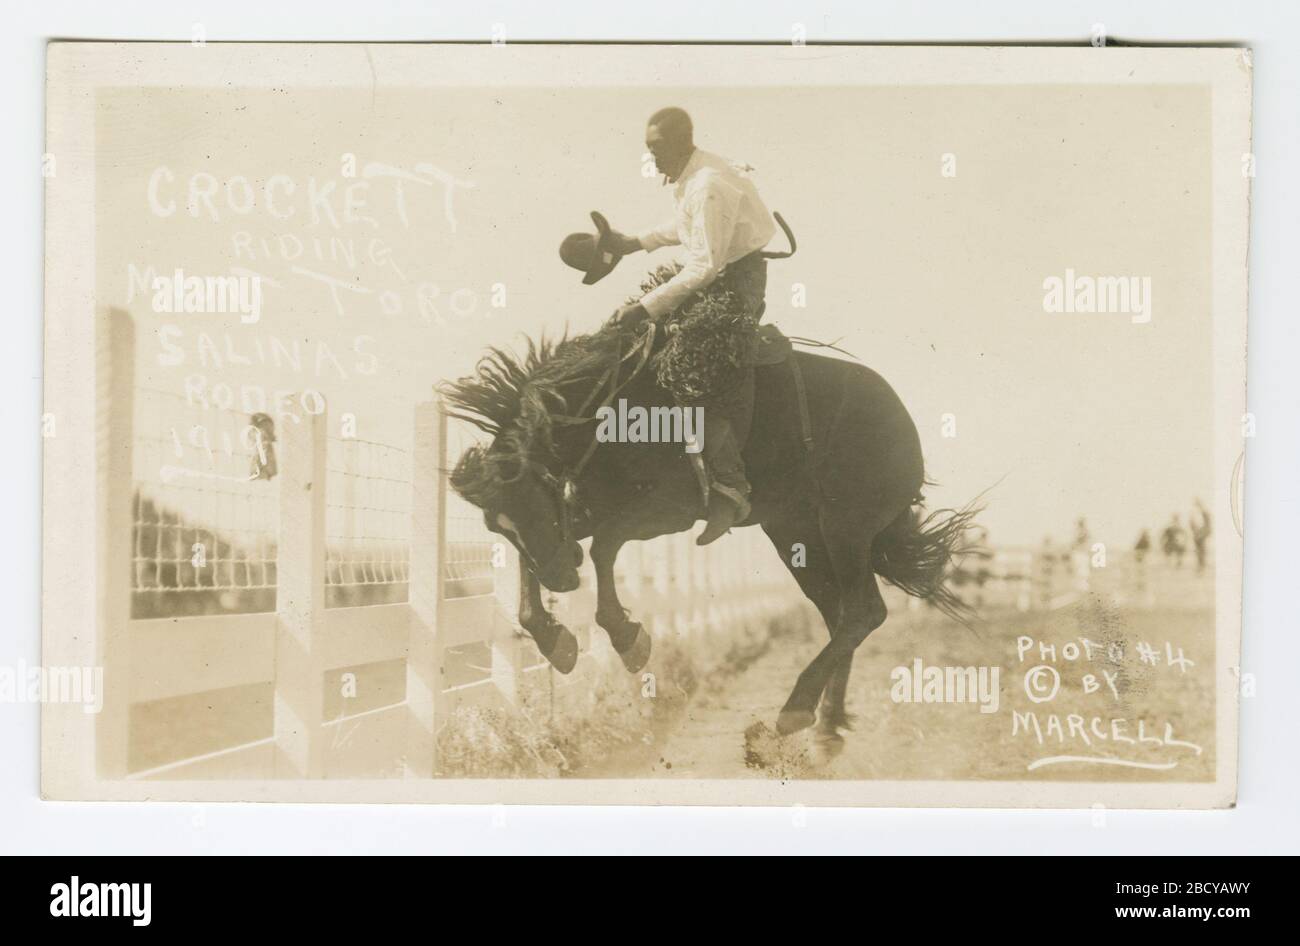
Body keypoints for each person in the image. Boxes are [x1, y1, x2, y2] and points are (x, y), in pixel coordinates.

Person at [563, 107, 777, 544]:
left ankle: (730, 487)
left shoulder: (708, 185)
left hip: (735, 284)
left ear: (682, 142)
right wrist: (634, 243)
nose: (652, 157)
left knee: (690, 368)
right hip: (718, 274)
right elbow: (688, 227)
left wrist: (645, 307)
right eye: (649, 148)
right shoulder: (692, 176)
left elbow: (704, 266)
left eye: (657, 148)